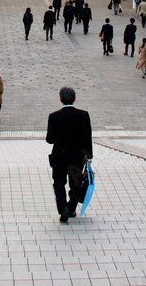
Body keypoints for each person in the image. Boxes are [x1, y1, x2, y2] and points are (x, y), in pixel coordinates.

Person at [46, 86, 93, 223]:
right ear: (75, 98)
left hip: (60, 157)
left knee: (59, 183)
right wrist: (88, 157)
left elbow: (50, 140)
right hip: (76, 157)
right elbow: (87, 138)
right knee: (76, 184)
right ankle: (71, 208)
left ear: (60, 99)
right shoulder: (83, 115)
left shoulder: (54, 116)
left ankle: (63, 209)